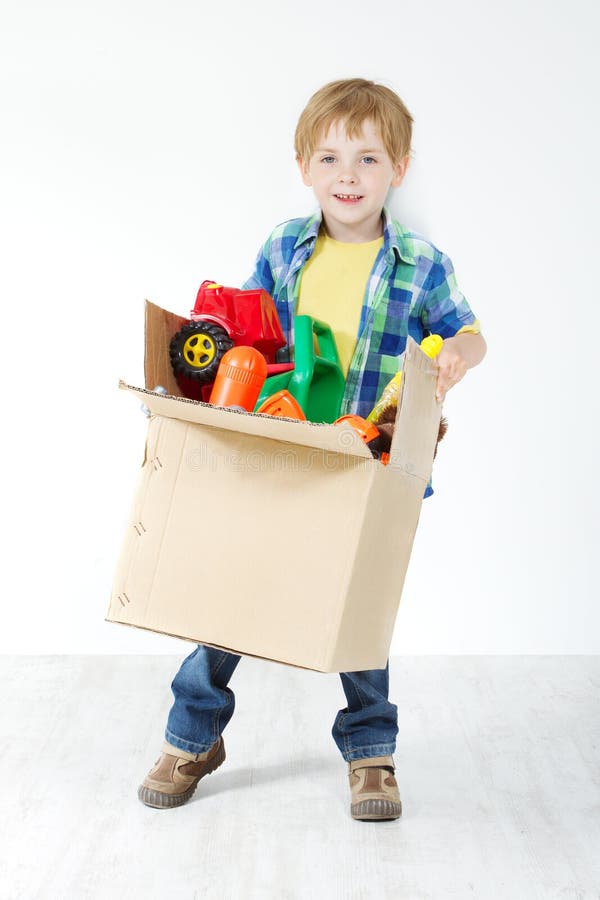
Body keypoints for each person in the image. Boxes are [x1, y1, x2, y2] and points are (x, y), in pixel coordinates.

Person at [138, 78, 487, 821]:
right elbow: (245, 327)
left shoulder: (421, 262)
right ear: (304, 168)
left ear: (399, 167)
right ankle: (192, 736)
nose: (347, 176)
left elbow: (468, 330)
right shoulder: (283, 247)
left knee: (359, 606)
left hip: (365, 463)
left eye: (368, 159)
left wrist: (458, 352)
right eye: (329, 158)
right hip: (283, 446)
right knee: (229, 593)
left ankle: (371, 752)